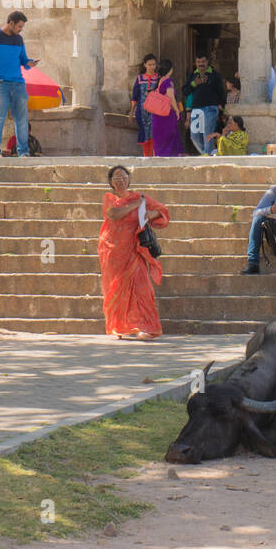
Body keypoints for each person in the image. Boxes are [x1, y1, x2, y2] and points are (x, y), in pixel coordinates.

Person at [98, 165, 170, 340]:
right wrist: (135, 206)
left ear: (129, 179)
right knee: (115, 289)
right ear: (111, 183)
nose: (121, 181)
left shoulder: (140, 197)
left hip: (135, 249)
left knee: (141, 288)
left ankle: (142, 327)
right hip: (112, 250)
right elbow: (113, 214)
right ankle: (118, 327)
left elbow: (162, 211)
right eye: (116, 179)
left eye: (124, 177)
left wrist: (149, 214)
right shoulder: (109, 198)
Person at [0, 10, 38, 157]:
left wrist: (29, 63)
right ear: (11, 23)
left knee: (22, 119)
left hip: (18, 84)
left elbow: (22, 59)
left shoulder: (19, 40)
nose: (21, 29)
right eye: (19, 26)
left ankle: (23, 152)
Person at [182, 54, 226, 155]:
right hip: (196, 109)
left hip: (210, 108)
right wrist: (194, 83)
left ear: (207, 62)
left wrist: (222, 107)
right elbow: (185, 91)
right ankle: (207, 155)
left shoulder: (214, 75)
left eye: (203, 62)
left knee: (207, 135)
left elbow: (221, 92)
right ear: (195, 63)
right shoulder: (192, 75)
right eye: (198, 62)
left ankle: (207, 157)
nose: (201, 64)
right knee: (194, 136)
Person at [148, 59, 184, 157]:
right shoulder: (168, 81)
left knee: (161, 141)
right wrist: (177, 110)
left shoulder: (159, 81)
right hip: (167, 115)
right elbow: (171, 96)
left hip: (158, 116)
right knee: (170, 139)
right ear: (170, 69)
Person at [129, 54, 161, 157]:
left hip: (155, 111)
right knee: (145, 135)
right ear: (145, 65)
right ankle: (146, 158)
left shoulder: (159, 78)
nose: (152, 67)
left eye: (154, 64)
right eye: (150, 64)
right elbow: (135, 97)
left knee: (155, 134)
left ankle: (155, 157)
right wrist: (131, 113)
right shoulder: (139, 78)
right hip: (142, 112)